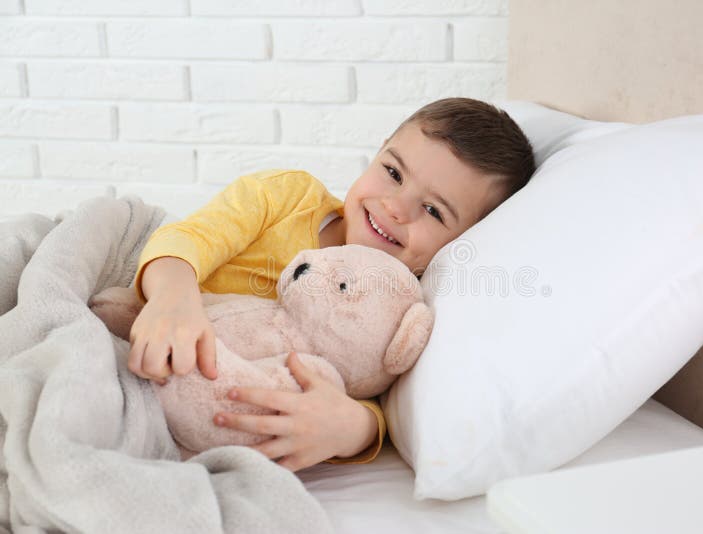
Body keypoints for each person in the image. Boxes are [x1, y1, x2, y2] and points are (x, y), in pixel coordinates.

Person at [129, 97, 534, 471]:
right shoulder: (289, 197)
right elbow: (189, 238)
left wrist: (356, 427)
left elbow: (384, 396)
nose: (395, 207)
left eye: (432, 210)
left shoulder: (402, 309)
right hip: (154, 338)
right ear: (378, 151)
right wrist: (173, 297)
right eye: (392, 173)